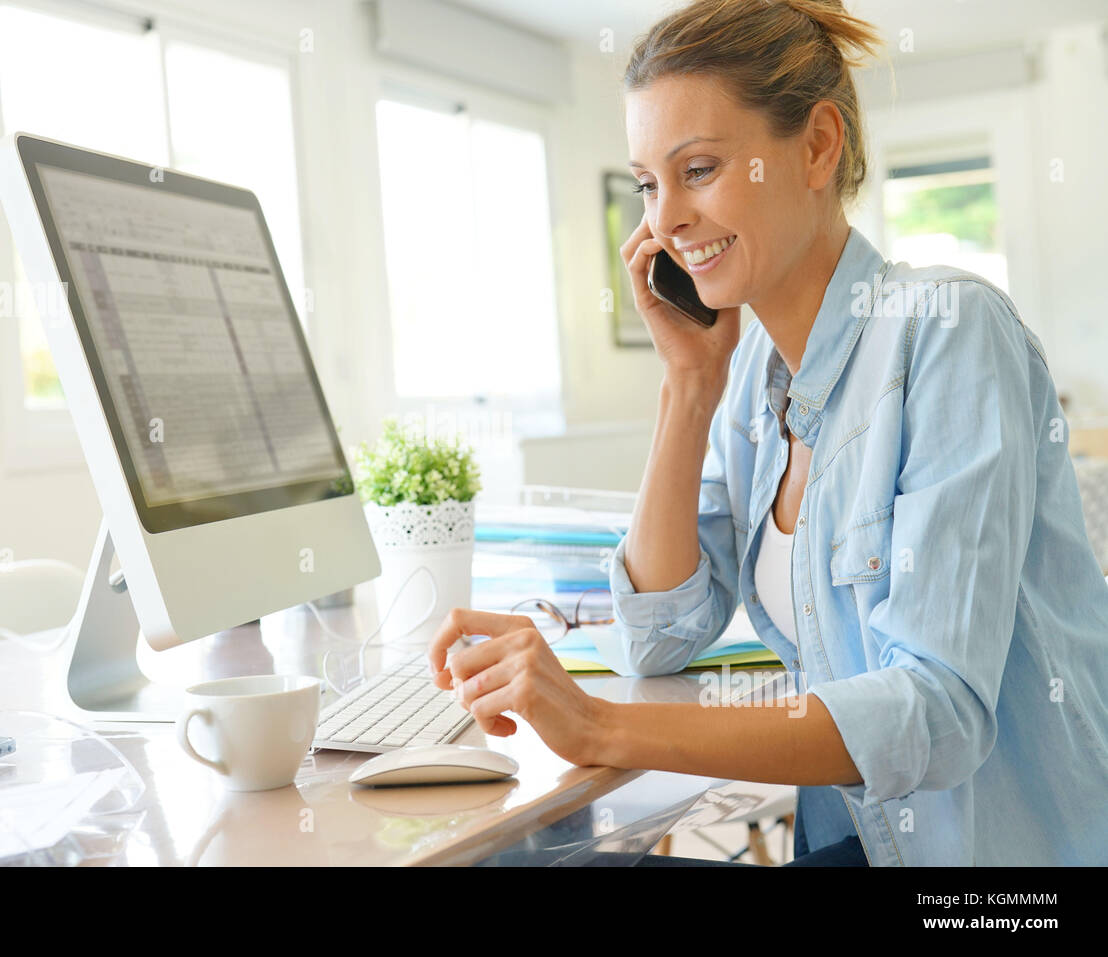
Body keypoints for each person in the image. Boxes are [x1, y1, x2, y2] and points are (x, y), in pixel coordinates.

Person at [428, 0, 1108, 866]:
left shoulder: (946, 329)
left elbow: (935, 711)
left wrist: (603, 726)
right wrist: (690, 384)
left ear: (819, 145)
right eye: (647, 183)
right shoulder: (754, 379)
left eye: (699, 168)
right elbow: (658, 633)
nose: (664, 218)